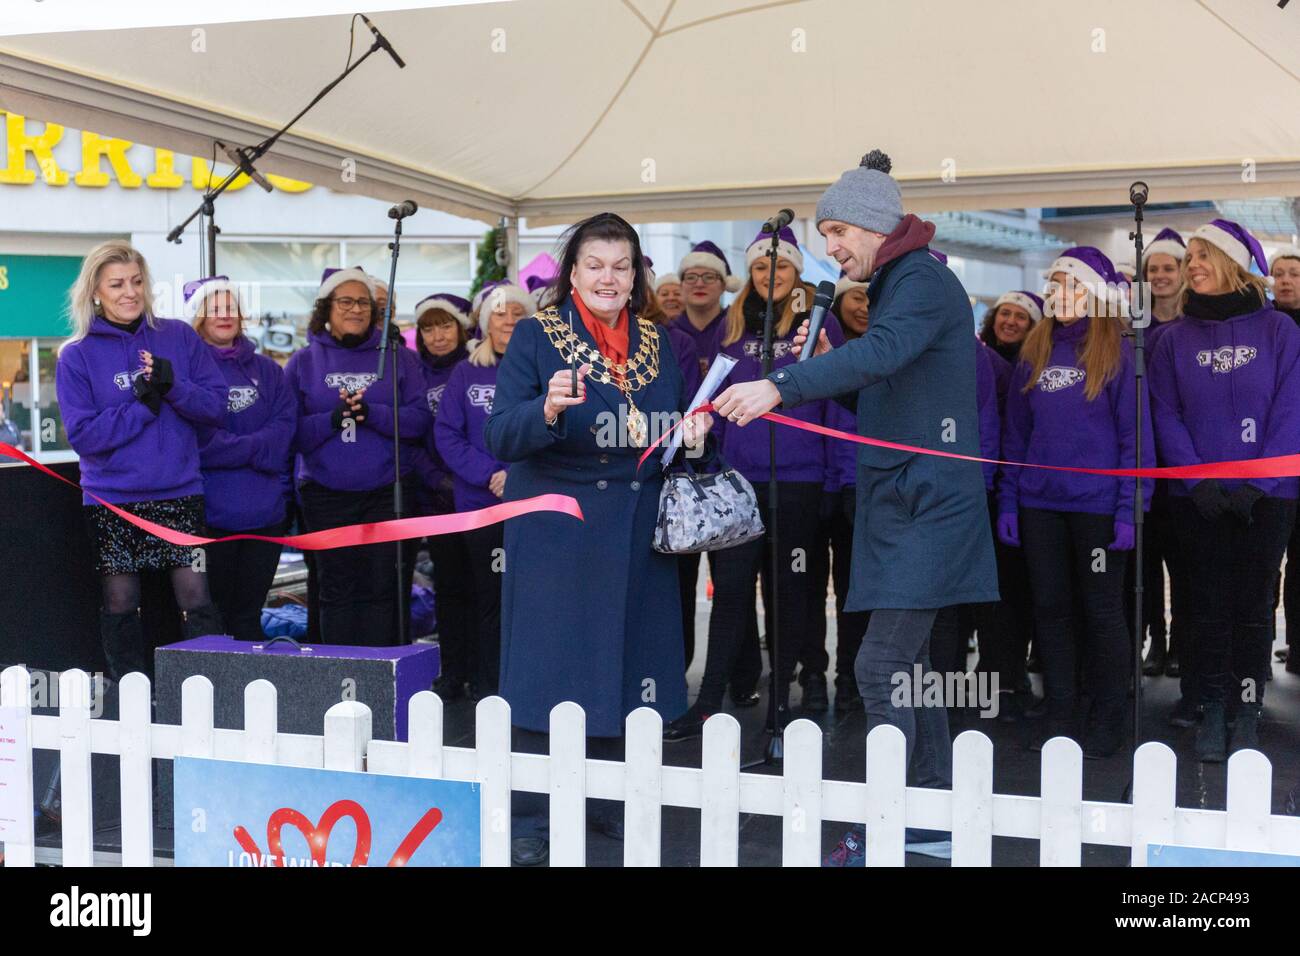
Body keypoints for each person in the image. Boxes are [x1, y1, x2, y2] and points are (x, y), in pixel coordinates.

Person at [713, 149, 998, 864]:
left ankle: (895, 821)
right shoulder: (908, 278)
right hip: (910, 501)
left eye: (836, 232)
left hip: (926, 505)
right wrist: (818, 378)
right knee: (918, 670)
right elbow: (884, 383)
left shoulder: (922, 282)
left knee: (879, 668)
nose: (829, 250)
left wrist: (782, 384)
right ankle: (931, 821)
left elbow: (887, 353)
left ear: (875, 227)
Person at [483, 212, 709, 866]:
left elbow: (669, 421)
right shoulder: (535, 334)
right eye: (595, 265)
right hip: (557, 524)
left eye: (621, 265)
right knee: (545, 669)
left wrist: (690, 435)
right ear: (573, 272)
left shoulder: (660, 342)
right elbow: (501, 435)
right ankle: (530, 815)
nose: (608, 278)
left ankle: (612, 803)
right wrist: (546, 410)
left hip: (635, 524)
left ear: (636, 273)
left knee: (629, 664)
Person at [664, 226, 838, 738]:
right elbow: (711, 399)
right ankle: (709, 700)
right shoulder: (732, 327)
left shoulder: (815, 326)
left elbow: (832, 405)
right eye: (762, 266)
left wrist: (830, 480)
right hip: (738, 484)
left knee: (788, 592)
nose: (770, 275)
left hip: (799, 482)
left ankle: (782, 701)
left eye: (780, 266)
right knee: (731, 593)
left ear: (797, 272)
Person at [1148, 220, 1300, 760]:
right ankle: (1211, 707)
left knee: (1254, 606)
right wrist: (1197, 480)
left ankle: (1247, 709)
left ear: (1232, 262)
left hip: (1268, 497)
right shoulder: (1170, 340)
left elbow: (1290, 409)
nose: (1192, 266)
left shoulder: (1281, 331)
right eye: (1189, 258)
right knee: (1205, 604)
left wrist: (1259, 483)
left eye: (1203, 256)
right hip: (1200, 500)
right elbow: (1166, 414)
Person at [996, 247, 1153, 757]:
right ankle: (1061, 706)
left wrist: (1131, 507)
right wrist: (1010, 502)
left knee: (1102, 611)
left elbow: (1136, 439)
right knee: (1051, 608)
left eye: (1074, 287)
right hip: (1042, 505)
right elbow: (1016, 437)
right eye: (1056, 286)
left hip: (1097, 510)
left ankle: (1109, 710)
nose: (1061, 296)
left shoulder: (1120, 352)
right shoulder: (1036, 349)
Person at [56, 241, 228, 679]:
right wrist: (142, 406)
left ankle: (208, 696)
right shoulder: (76, 355)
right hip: (113, 501)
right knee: (120, 603)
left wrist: (174, 388)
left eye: (136, 281)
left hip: (180, 493)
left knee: (197, 597)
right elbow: (85, 437)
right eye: (116, 284)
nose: (129, 292)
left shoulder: (179, 336)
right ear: (95, 290)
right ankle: (128, 701)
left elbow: (216, 408)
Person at [284, 267, 430, 646]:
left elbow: (419, 422)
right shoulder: (302, 362)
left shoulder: (400, 358)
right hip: (325, 493)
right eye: (345, 301)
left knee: (383, 588)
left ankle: (381, 677)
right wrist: (333, 419)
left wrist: (374, 415)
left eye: (363, 302)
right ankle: (340, 678)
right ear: (326, 308)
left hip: (385, 492)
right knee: (336, 589)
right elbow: (289, 432)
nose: (355, 309)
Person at [435, 281, 534, 697]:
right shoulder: (466, 371)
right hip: (479, 506)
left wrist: (515, 473)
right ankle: (489, 682)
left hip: (530, 502)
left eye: (517, 312)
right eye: (499, 312)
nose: (508, 320)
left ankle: (523, 681)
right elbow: (447, 434)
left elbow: (553, 427)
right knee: (486, 596)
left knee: (526, 598)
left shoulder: (542, 371)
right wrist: (490, 474)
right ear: (483, 321)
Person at [187, 276, 295, 642]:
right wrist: (253, 448)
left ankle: (254, 694)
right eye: (214, 308)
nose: (224, 315)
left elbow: (284, 430)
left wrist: (235, 448)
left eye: (230, 306)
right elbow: (199, 442)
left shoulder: (269, 371)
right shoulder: (188, 374)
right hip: (211, 518)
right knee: (211, 617)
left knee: (249, 618)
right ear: (199, 316)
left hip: (264, 517)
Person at [410, 293, 476, 696]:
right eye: (429, 328)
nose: (437, 335)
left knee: (482, 588)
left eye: (445, 325)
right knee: (449, 588)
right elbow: (412, 440)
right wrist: (436, 479)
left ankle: (483, 668)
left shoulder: (477, 367)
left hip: (479, 493)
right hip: (436, 497)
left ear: (461, 327)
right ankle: (453, 670)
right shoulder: (414, 373)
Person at [1137, 228, 1186, 682]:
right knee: (1148, 560)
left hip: (1184, 459)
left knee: (1184, 559)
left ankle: (1182, 644)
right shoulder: (1135, 325)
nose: (1161, 275)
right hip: (1144, 455)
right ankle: (1157, 640)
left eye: (1169, 268)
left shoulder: (1196, 322)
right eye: (1154, 269)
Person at [1271, 246, 1300, 676]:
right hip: (1273, 463)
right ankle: (1291, 643)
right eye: (1278, 274)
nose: (1286, 280)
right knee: (1280, 561)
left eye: (1294, 273)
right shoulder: (1265, 328)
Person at [671, 240, 743, 376]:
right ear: (681, 285)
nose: (699, 284)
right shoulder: (667, 332)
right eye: (691, 277)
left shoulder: (738, 328)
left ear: (723, 285)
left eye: (709, 277)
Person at [980, 290, 1041, 364]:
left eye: (1021, 317)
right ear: (993, 319)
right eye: (1005, 313)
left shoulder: (1035, 365)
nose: (1010, 322)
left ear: (1032, 327)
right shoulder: (976, 355)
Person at [831, 276, 869, 341]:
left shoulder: (881, 348)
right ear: (839, 299)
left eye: (875, 303)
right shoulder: (814, 329)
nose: (865, 309)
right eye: (858, 298)